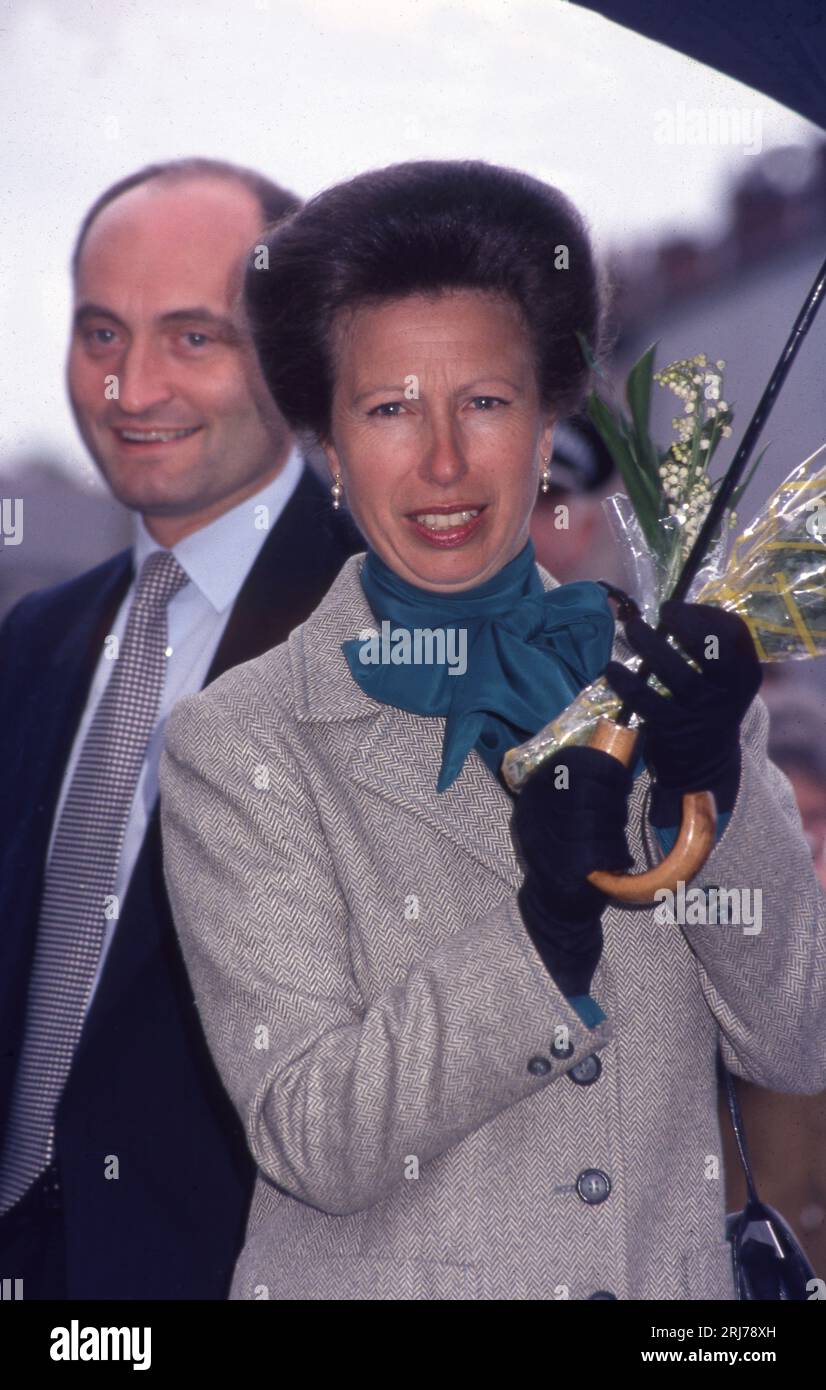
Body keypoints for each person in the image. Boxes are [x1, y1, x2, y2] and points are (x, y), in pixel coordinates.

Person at [159, 159, 826, 1301]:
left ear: (546, 419)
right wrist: (541, 939)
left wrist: (711, 784)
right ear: (327, 449)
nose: (444, 462)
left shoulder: (661, 680)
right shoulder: (240, 745)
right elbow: (312, 1134)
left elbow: (796, 1039)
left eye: (483, 400)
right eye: (387, 409)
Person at [0, 157, 362, 1300]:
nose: (130, 386)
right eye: (100, 334)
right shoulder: (34, 639)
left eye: (192, 338)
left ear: (297, 358)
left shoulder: (389, 639)